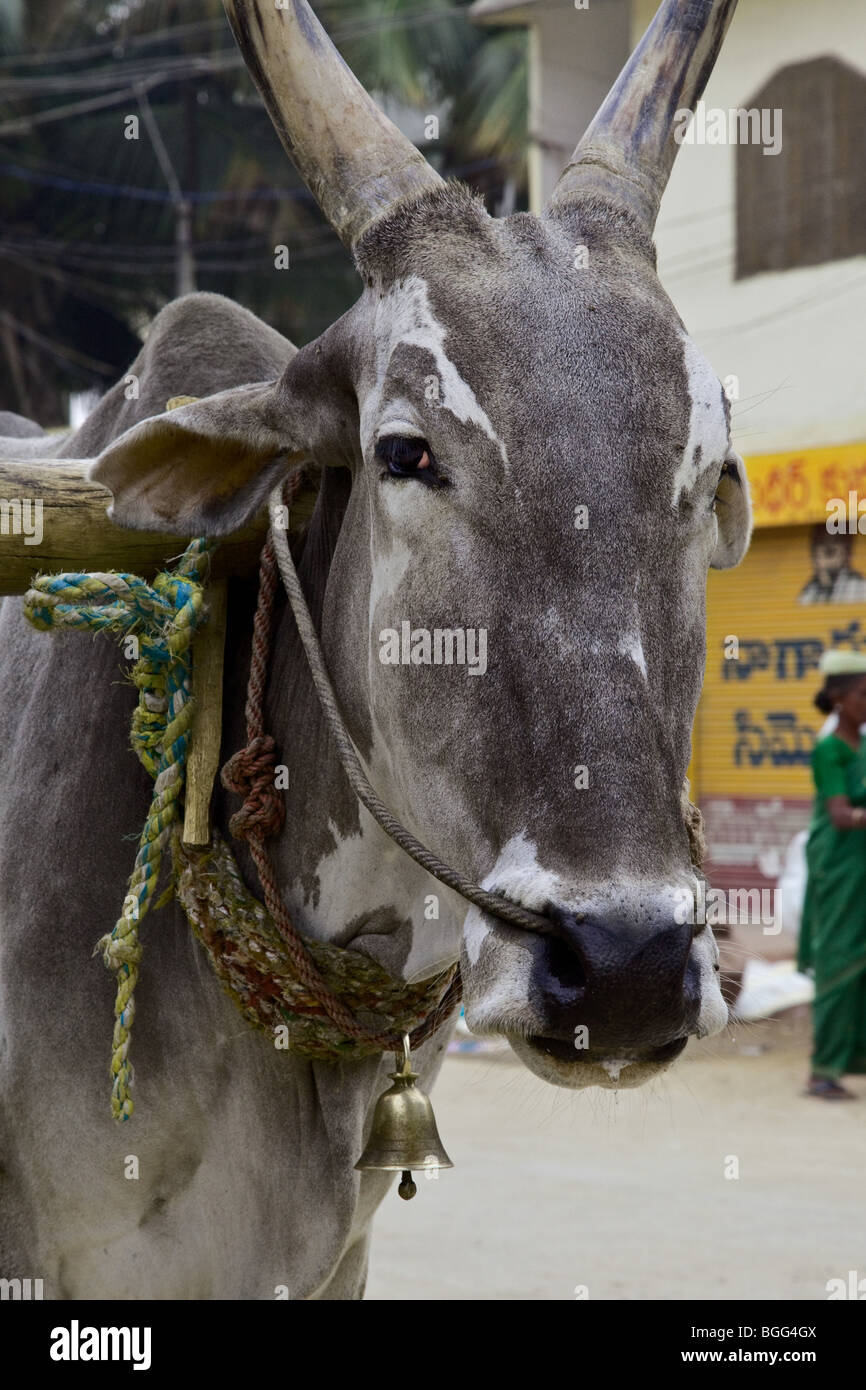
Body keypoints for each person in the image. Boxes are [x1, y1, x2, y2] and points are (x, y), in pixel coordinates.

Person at [798, 650, 866, 1097]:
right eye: (864, 693)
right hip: (839, 864)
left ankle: (854, 1055)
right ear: (840, 698)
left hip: (859, 861)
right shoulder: (829, 749)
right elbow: (841, 815)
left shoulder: (860, 744)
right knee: (840, 956)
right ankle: (823, 1070)